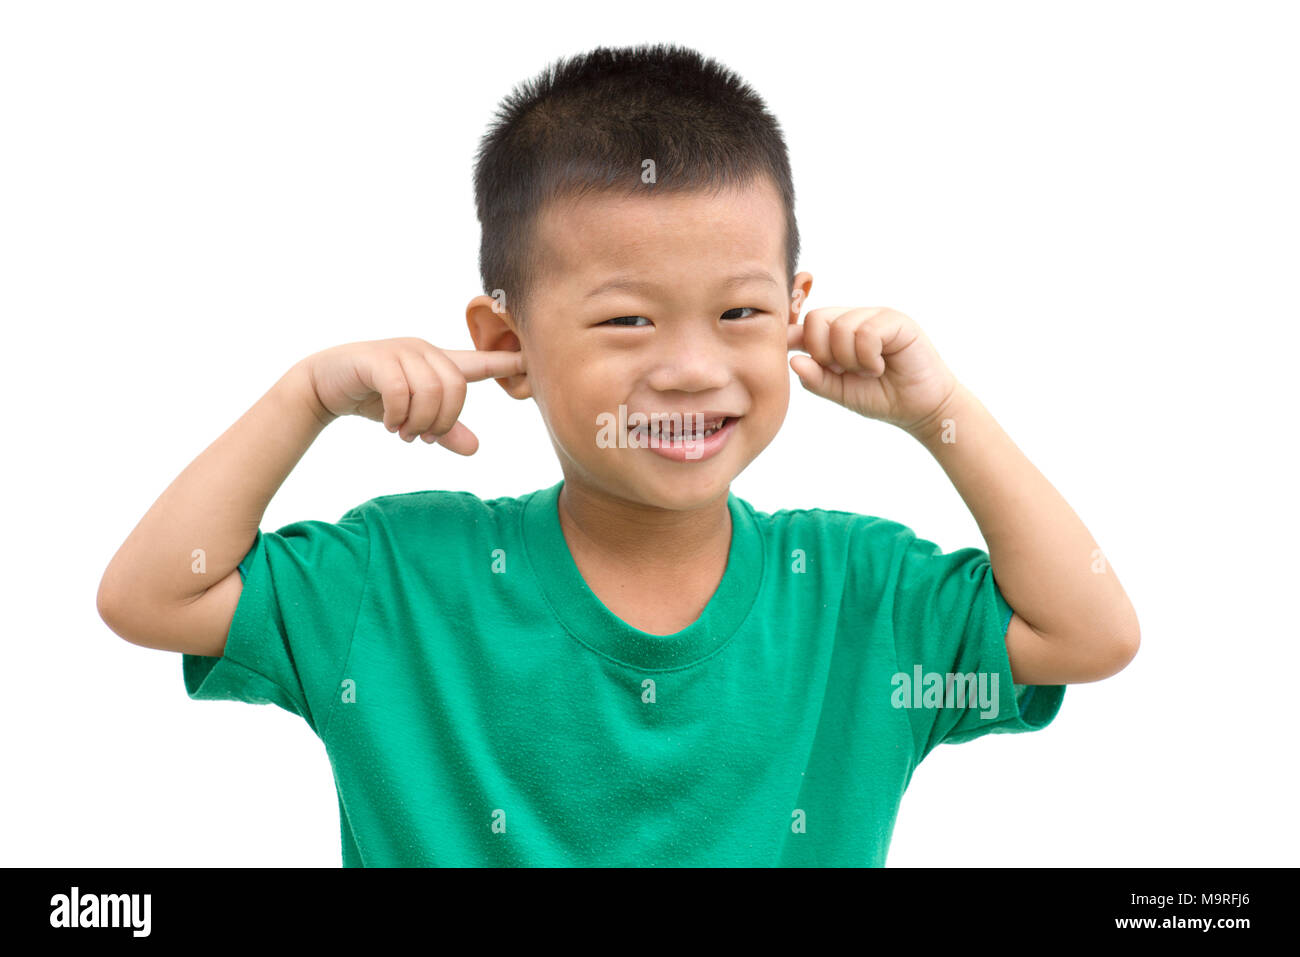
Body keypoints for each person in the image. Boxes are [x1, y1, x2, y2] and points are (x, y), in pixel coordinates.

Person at [97, 43, 1139, 867]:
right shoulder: (398, 580)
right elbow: (152, 600)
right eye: (628, 322)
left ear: (795, 312)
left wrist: (939, 413)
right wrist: (304, 398)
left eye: (739, 310)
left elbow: (1089, 634)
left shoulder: (857, 594)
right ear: (506, 342)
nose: (691, 369)